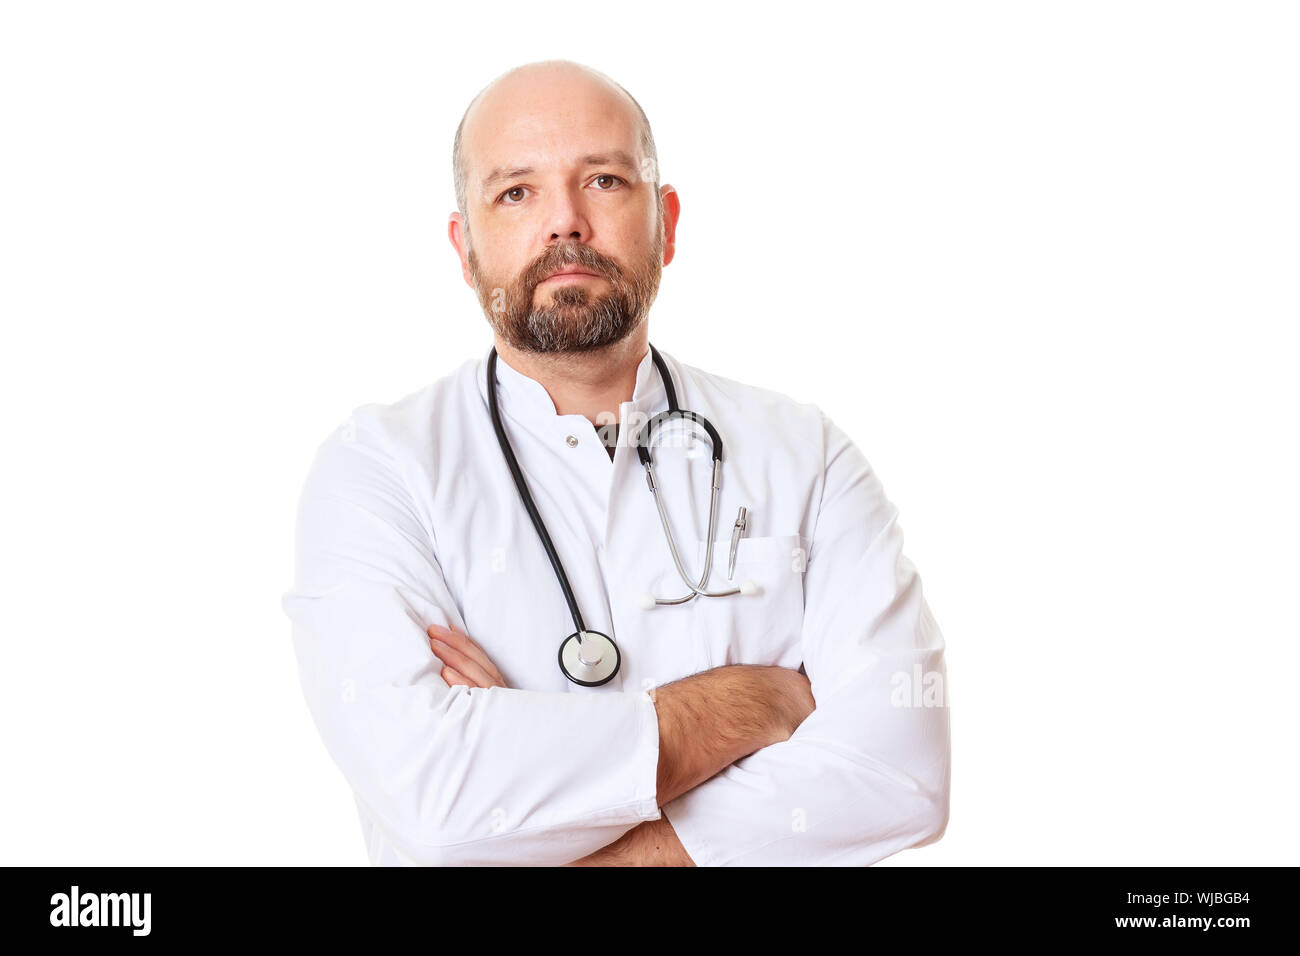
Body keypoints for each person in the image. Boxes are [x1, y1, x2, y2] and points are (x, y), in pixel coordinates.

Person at [281, 59, 951, 866]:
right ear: (465, 248)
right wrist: (751, 703)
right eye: (516, 192)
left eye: (603, 180)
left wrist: (540, 772)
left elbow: (899, 776)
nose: (565, 222)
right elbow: (436, 803)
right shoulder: (379, 472)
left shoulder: (805, 456)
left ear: (665, 222)